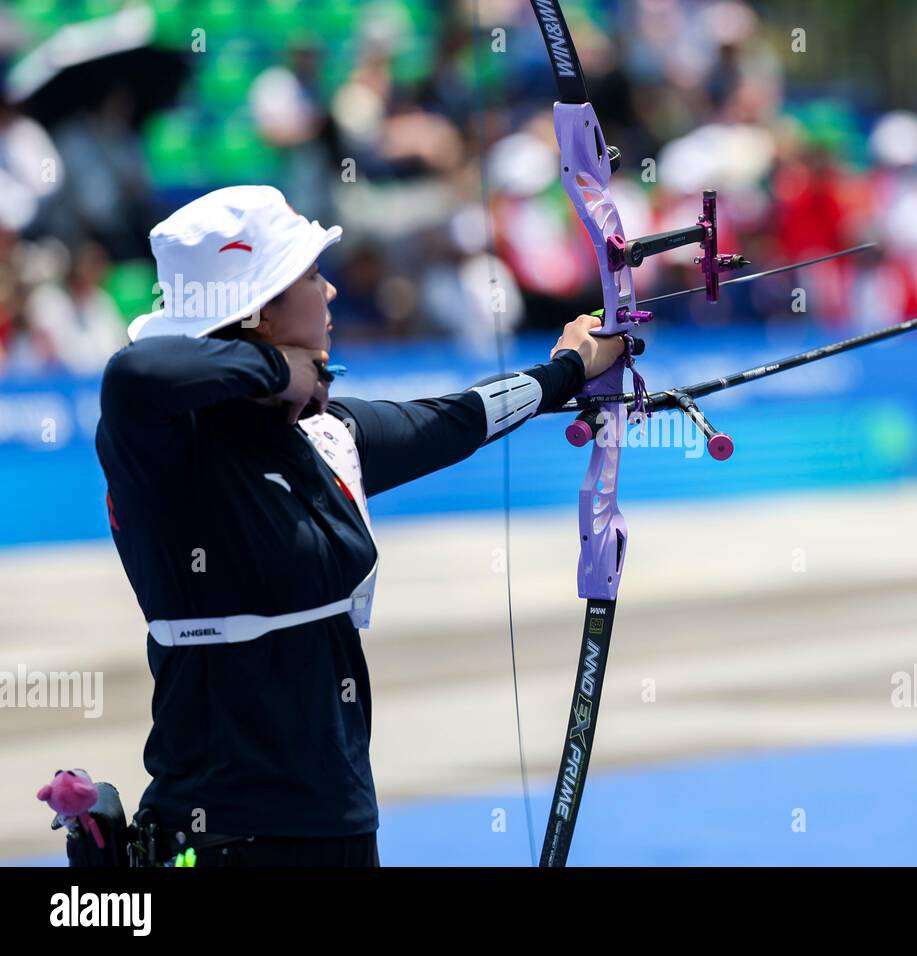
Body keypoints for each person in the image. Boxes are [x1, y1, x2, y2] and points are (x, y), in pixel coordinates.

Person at [96, 185, 623, 866]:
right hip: (225, 832)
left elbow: (454, 420)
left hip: (338, 824)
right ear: (258, 313)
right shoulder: (169, 449)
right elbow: (137, 372)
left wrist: (569, 368)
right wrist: (278, 368)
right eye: (312, 277)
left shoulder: (324, 434)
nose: (333, 292)